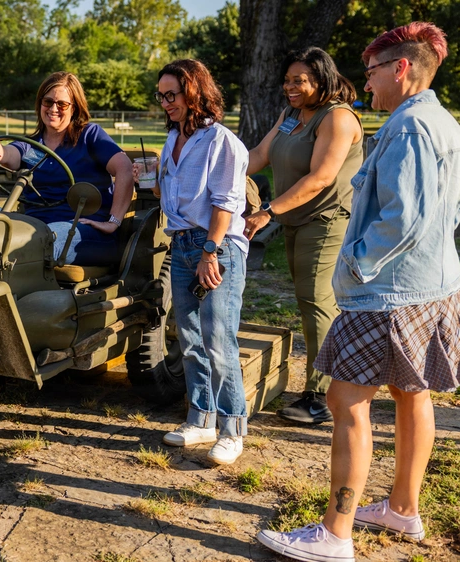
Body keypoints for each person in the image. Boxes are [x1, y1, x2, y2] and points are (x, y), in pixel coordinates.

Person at [258, 22, 460, 562]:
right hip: (431, 285)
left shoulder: (410, 126)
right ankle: (402, 510)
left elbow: (403, 218)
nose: (364, 84)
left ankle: (335, 532)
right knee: (412, 395)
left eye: (370, 73)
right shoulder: (441, 120)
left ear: (400, 69)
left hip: (387, 292)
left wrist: (354, 262)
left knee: (344, 399)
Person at [244, 47, 364, 426]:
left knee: (316, 301)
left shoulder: (338, 118)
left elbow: (321, 177)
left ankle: (322, 396)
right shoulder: (292, 113)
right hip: (296, 219)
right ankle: (329, 382)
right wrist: (212, 171)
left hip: (326, 220)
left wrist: (268, 211)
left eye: (299, 80)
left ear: (321, 79)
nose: (290, 87)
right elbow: (260, 154)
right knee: (311, 300)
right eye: (287, 80)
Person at [149, 59, 249, 465]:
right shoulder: (171, 139)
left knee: (219, 340)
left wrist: (210, 251)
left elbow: (226, 203)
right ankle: (201, 417)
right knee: (189, 338)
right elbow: (168, 197)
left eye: (171, 95)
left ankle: (232, 429)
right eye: (161, 96)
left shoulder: (221, 141)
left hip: (215, 246)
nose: (165, 102)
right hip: (182, 243)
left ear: (194, 93)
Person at [0, 71, 132, 266]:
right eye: (47, 102)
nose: (53, 109)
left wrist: (112, 222)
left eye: (62, 104)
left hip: (82, 228)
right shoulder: (31, 145)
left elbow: (124, 167)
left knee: (42, 240)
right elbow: (5, 154)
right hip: (35, 224)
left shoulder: (90, 136)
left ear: (74, 108)